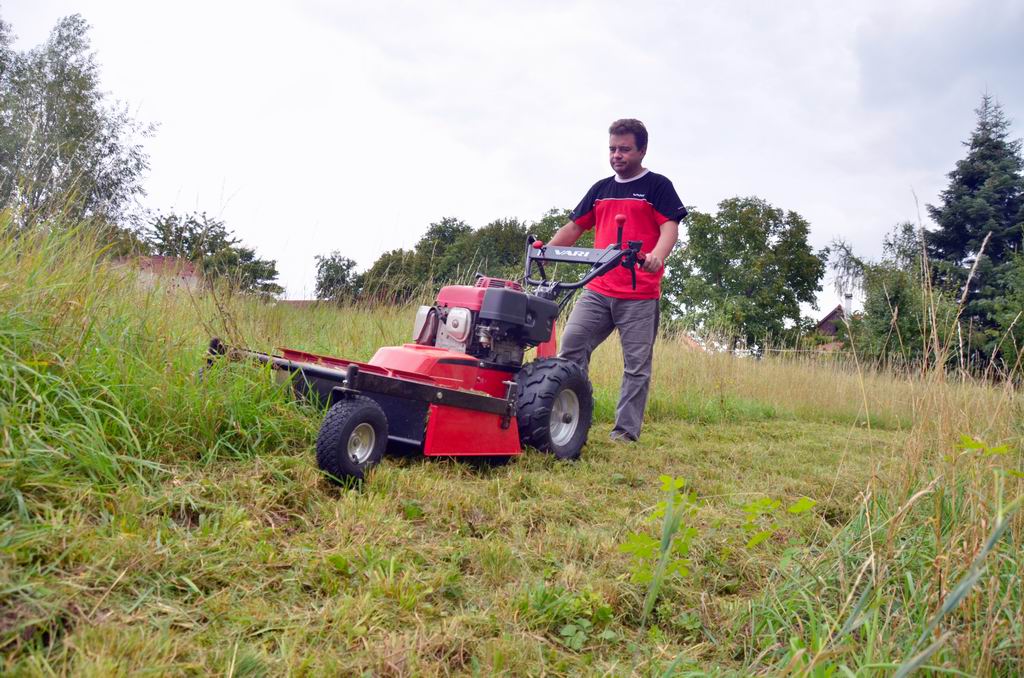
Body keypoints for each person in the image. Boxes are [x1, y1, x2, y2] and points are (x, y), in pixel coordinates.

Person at [546, 118, 687, 442]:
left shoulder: (657, 186)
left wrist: (657, 256)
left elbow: (670, 228)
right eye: (612, 149)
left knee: (636, 366)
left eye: (624, 149)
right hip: (597, 288)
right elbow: (574, 228)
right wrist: (546, 251)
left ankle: (624, 433)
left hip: (639, 294)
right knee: (571, 348)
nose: (616, 155)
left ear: (642, 150)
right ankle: (569, 417)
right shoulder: (600, 190)